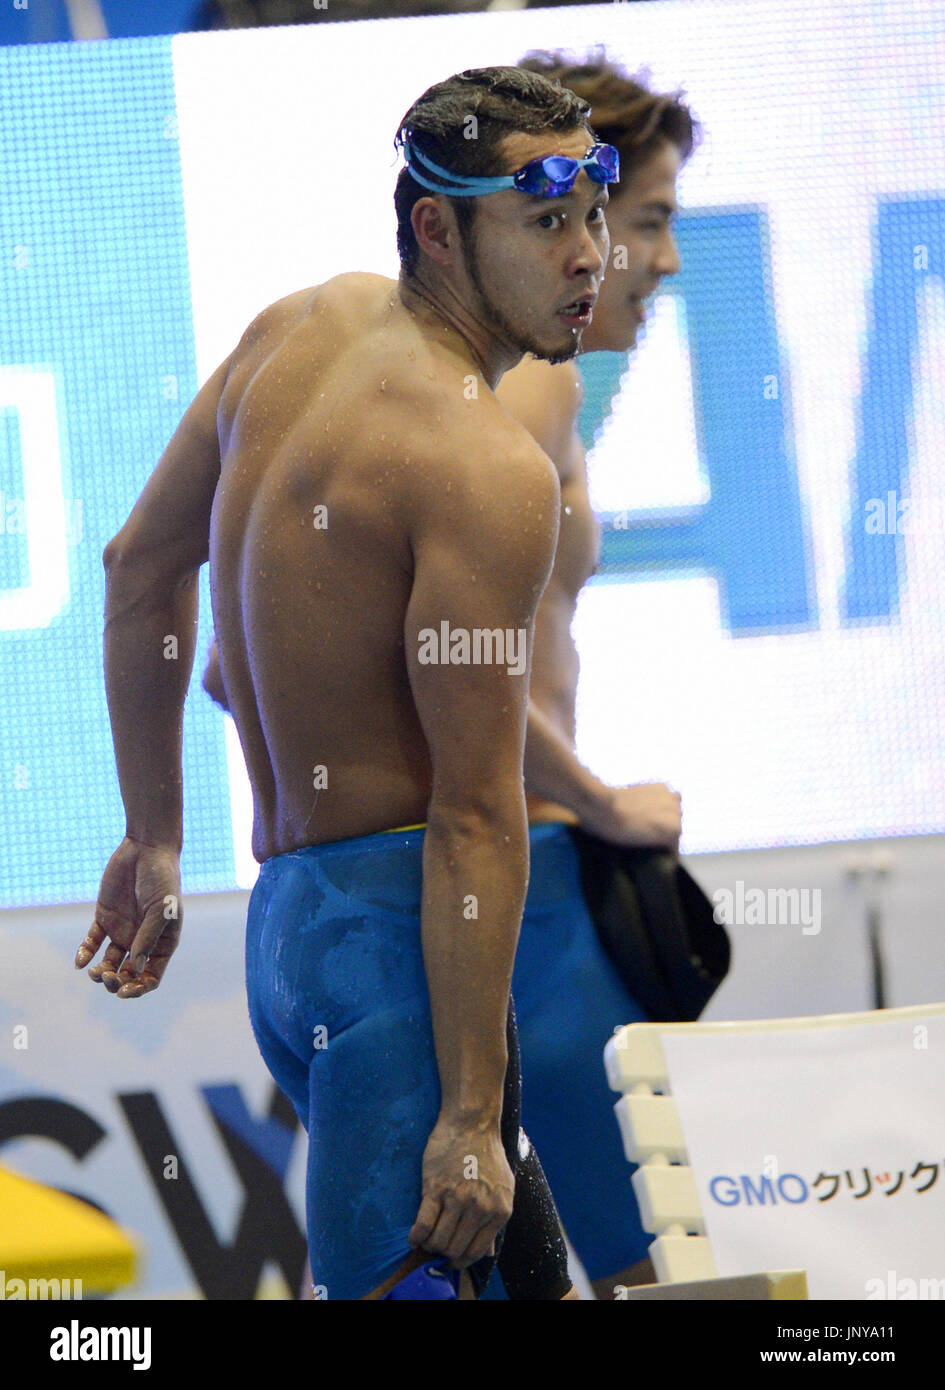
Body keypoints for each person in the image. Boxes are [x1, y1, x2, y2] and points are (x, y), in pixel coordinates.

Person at [75, 65, 617, 1300]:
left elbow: (138, 571)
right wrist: (473, 1112)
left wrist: (153, 834)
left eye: (594, 213)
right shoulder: (484, 464)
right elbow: (479, 816)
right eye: (546, 223)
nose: (590, 255)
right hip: (403, 968)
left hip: (295, 933)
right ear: (437, 225)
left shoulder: (295, 329)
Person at [478, 50, 699, 1300]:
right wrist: (602, 803)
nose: (666, 260)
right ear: (577, 222)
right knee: (652, 1277)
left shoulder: (455, 391)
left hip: (470, 899)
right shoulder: (531, 393)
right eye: (654, 221)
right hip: (531, 896)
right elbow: (446, 662)